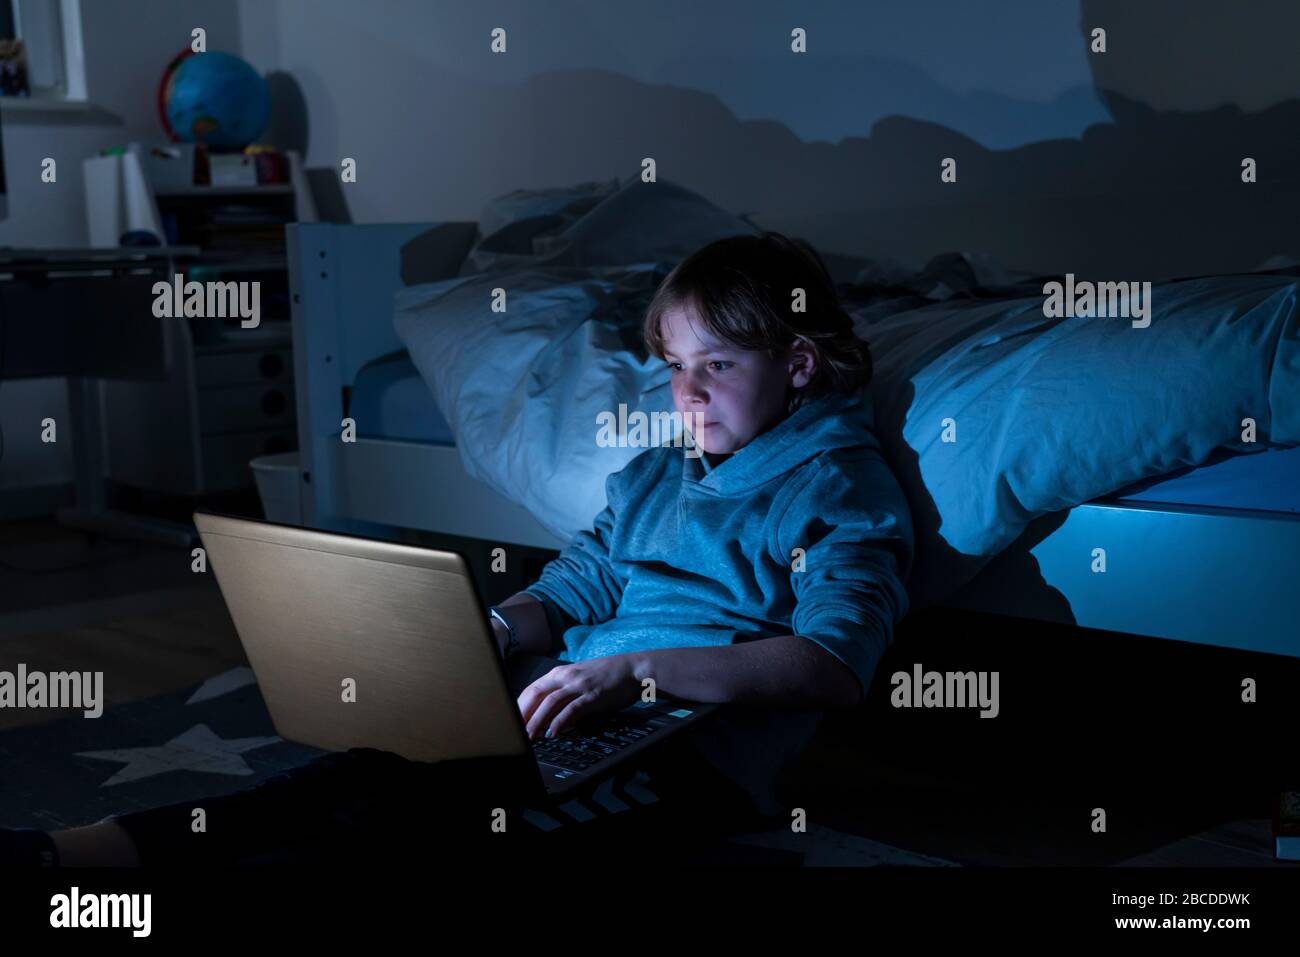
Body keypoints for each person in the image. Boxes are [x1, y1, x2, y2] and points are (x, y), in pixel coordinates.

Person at [0, 231, 914, 867]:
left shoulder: (835, 487)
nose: (688, 391)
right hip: (578, 712)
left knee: (428, 830)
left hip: (692, 759)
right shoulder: (660, 472)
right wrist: (492, 630)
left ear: (797, 364)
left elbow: (832, 662)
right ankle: (85, 852)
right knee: (373, 773)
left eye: (718, 364)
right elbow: (582, 579)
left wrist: (632, 672)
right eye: (676, 365)